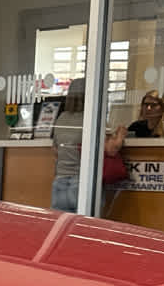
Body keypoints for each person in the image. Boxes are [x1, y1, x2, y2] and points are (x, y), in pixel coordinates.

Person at [50, 82, 127, 213]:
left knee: (63, 227)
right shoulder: (93, 118)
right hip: (82, 184)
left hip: (60, 183)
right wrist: (121, 134)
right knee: (86, 229)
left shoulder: (61, 118)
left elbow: (55, 150)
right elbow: (110, 149)